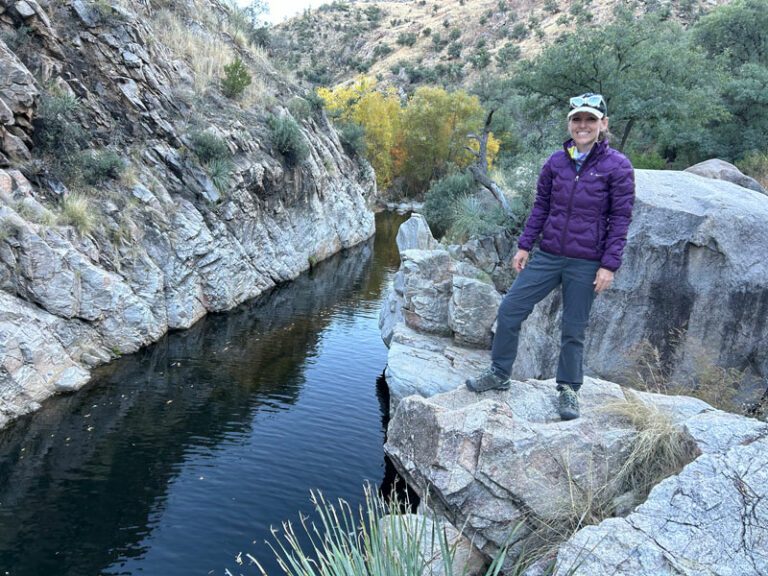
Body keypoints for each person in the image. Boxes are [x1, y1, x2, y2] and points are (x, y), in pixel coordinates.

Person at [465, 93, 635, 420]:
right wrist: (525, 245)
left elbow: (621, 219)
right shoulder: (556, 162)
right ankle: (500, 373)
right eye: (577, 119)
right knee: (511, 308)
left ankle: (569, 389)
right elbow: (541, 207)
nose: (583, 126)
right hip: (549, 254)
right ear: (569, 123)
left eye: (590, 120)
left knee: (574, 327)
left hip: (586, 262)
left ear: (604, 124)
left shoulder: (618, 166)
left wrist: (608, 265)